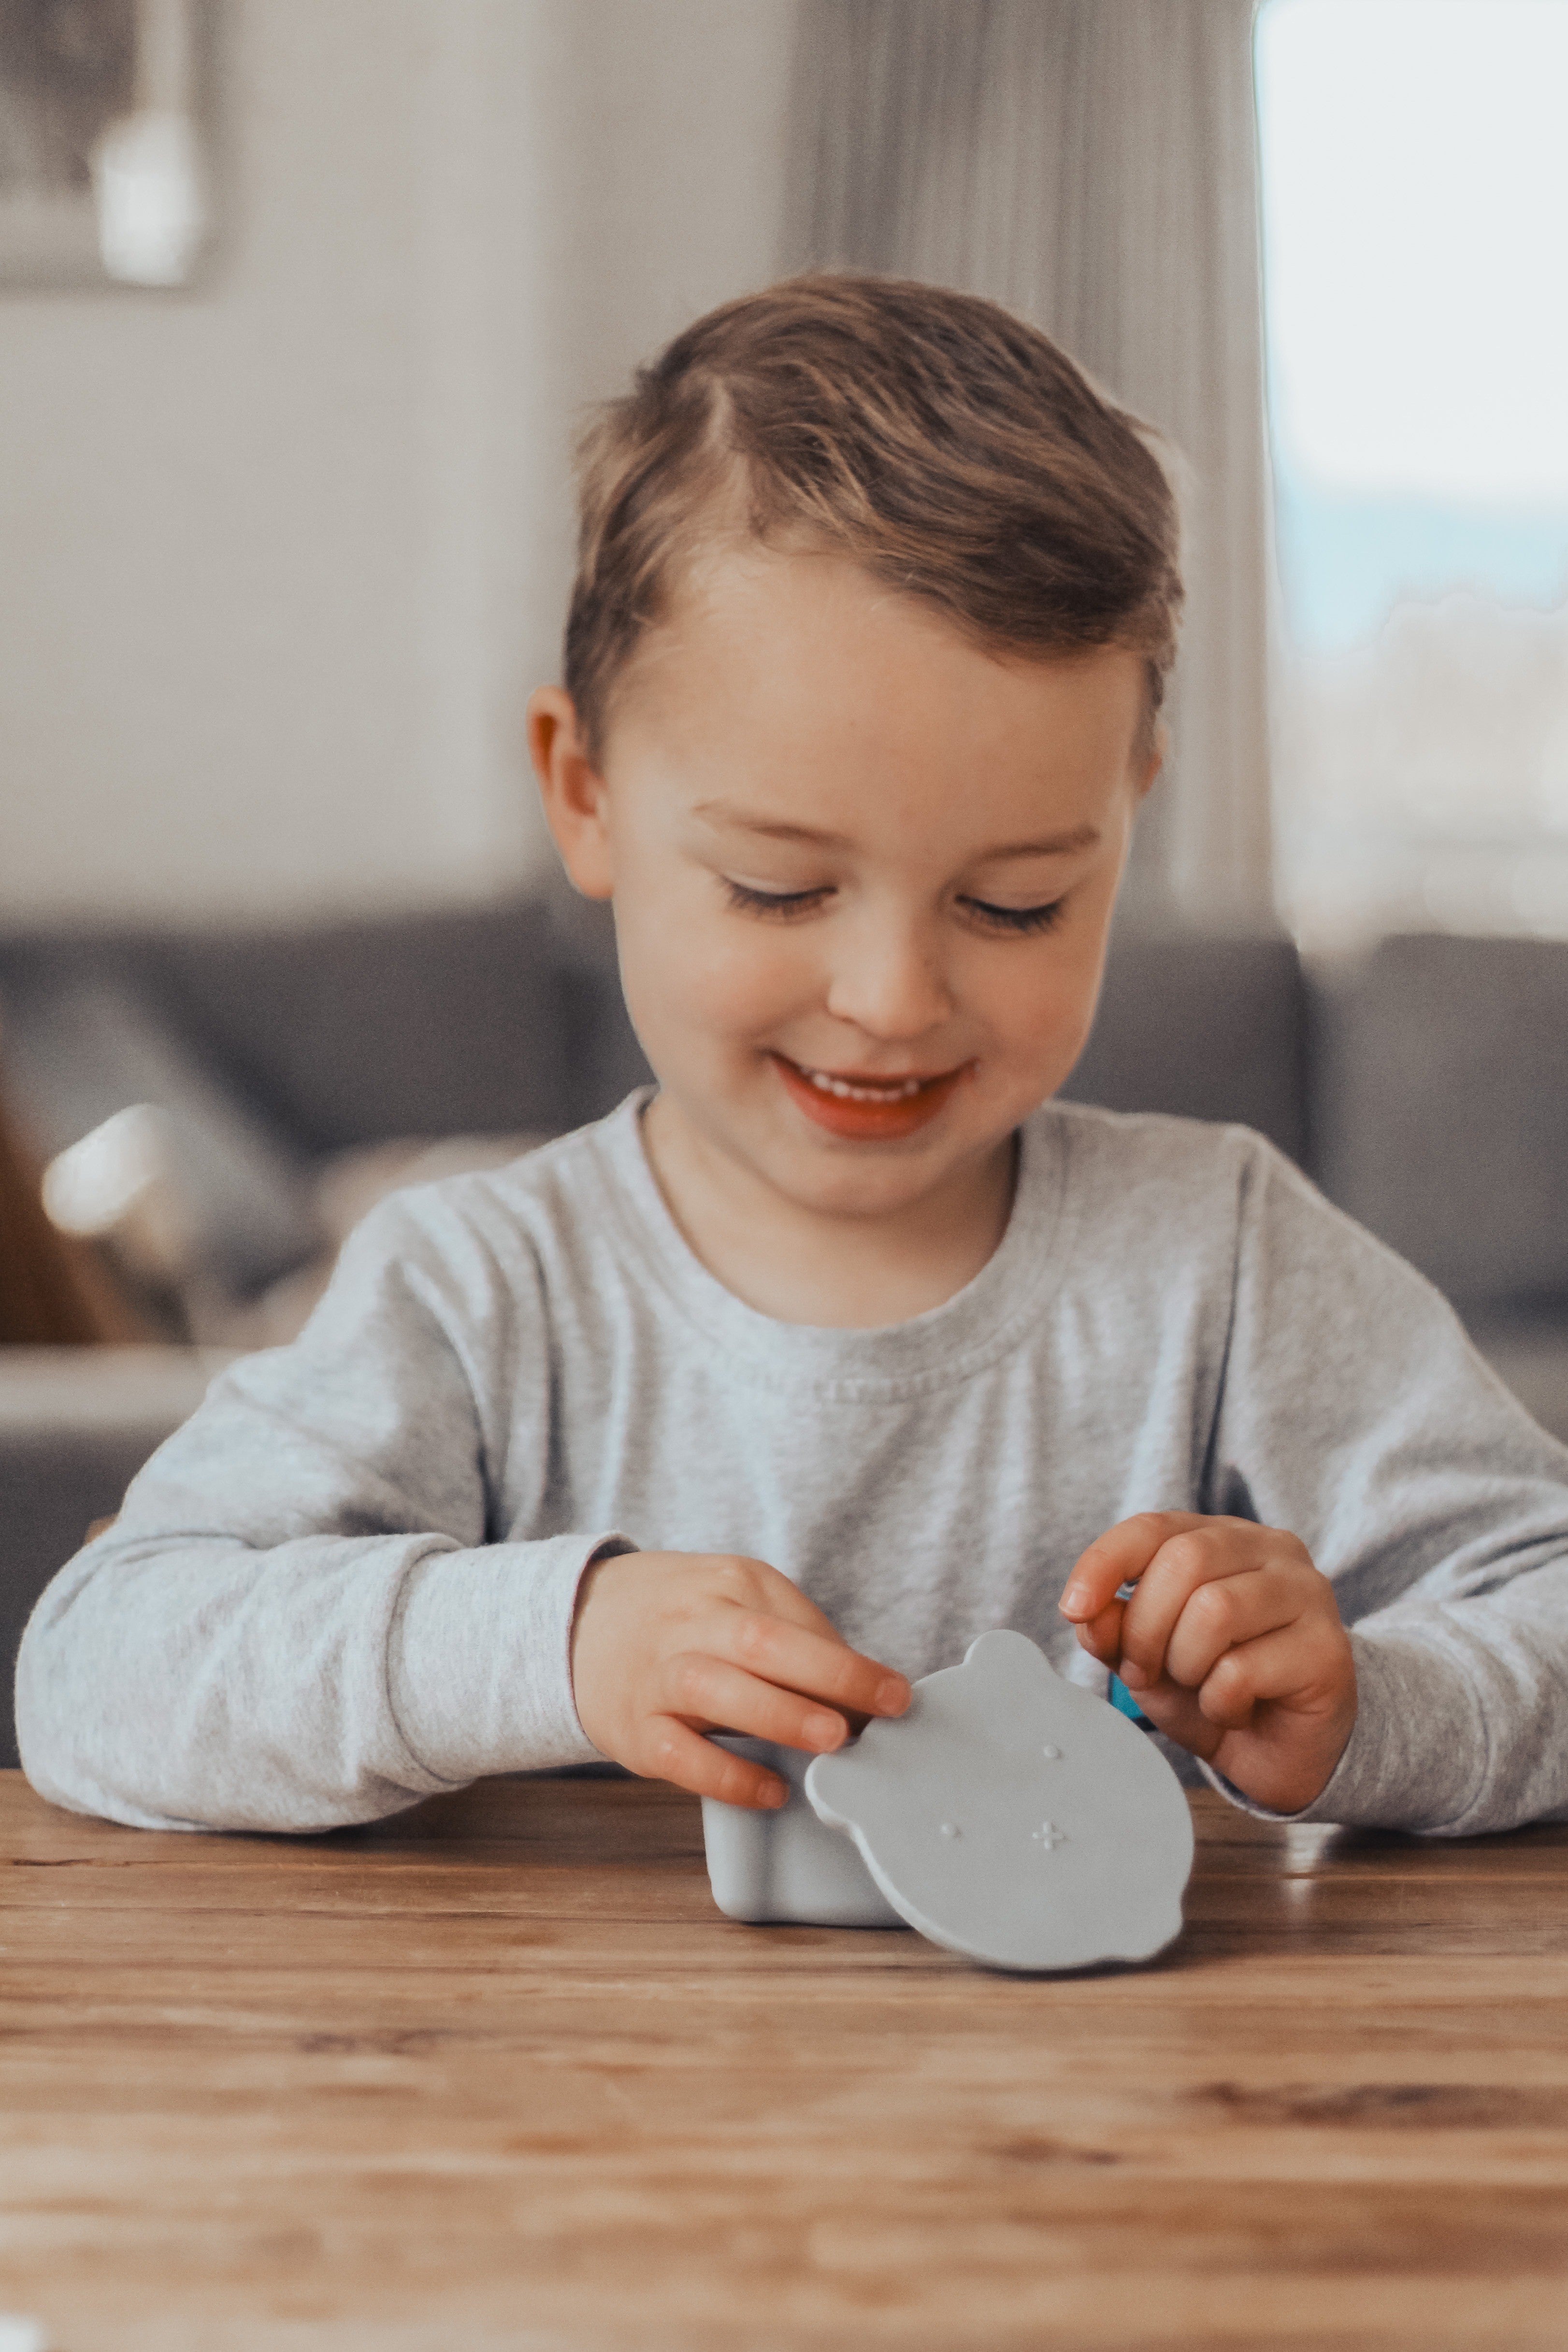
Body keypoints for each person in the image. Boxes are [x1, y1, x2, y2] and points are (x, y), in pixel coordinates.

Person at [17, 275, 1568, 1840]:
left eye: (1015, 900)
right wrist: (549, 1641)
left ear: (1131, 809)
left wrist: (1371, 1705)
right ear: (585, 793)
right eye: (780, 886)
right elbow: (98, 1667)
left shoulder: (1227, 1264)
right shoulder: (476, 1290)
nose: (894, 998)